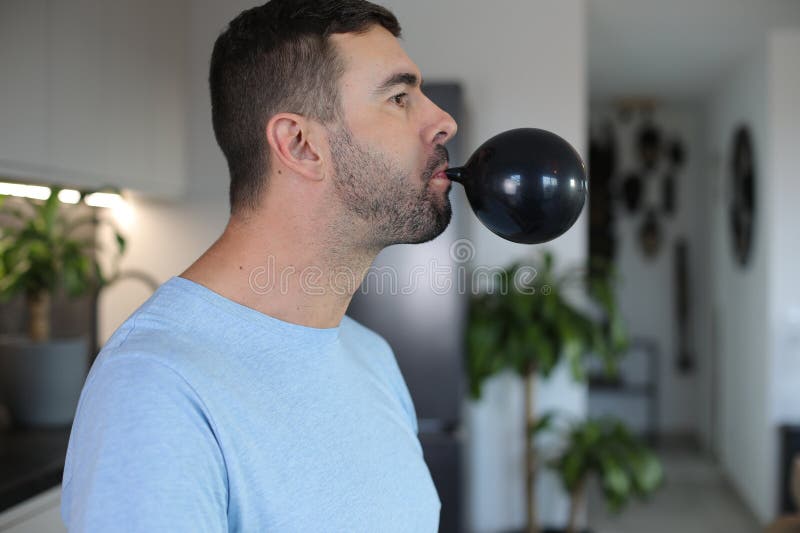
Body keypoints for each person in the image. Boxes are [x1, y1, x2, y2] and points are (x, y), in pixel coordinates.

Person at [60, 0, 457, 531]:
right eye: (399, 97)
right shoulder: (157, 389)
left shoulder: (370, 357)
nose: (444, 121)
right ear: (300, 145)